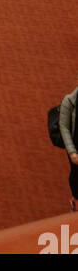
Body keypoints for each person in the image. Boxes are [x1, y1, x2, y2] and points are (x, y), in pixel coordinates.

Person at [58, 82, 78, 211]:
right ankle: (75, 201)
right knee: (76, 176)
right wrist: (71, 151)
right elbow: (64, 127)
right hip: (76, 148)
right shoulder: (68, 102)